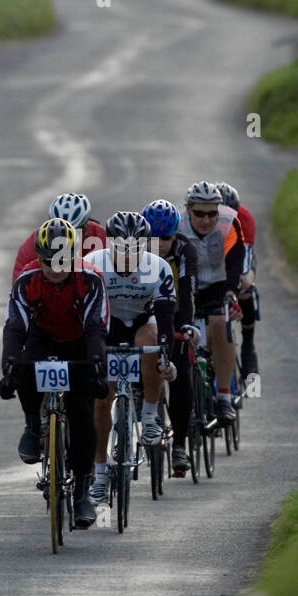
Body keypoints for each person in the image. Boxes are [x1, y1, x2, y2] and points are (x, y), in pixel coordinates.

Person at [0, 218, 109, 529]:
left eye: (63, 260)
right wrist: (8, 365)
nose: (56, 268)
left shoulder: (91, 279)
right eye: (49, 261)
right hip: (43, 337)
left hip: (80, 341)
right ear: (39, 259)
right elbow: (15, 327)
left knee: (82, 414)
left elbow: (96, 328)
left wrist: (97, 366)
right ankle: (33, 425)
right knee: (24, 369)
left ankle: (83, 493)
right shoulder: (27, 279)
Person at [83, 211, 176, 504]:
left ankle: (149, 416)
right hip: (106, 327)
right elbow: (86, 319)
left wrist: (166, 357)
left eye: (135, 249)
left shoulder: (158, 268)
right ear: (109, 244)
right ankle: (99, 473)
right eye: (121, 249)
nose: (128, 256)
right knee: (101, 402)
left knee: (150, 343)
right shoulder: (92, 266)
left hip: (140, 323)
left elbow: (166, 322)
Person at [140, 198, 200, 478]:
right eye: (153, 238)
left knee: (181, 372)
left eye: (165, 238)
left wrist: (186, 325)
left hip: (173, 315)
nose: (159, 244)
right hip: (142, 316)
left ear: (175, 234)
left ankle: (179, 445)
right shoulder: (134, 249)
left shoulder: (185, 250)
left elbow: (187, 291)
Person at [177, 181, 244, 423]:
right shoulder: (176, 224)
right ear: (187, 210)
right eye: (199, 213)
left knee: (221, 323)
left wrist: (231, 292)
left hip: (216, 286)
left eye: (212, 213)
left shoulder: (229, 222)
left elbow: (236, 260)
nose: (206, 220)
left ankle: (224, 395)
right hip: (186, 287)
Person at [217, 182, 259, 386]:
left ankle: (248, 342)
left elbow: (245, 260)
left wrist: (238, 284)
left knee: (245, 286)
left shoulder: (245, 219)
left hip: (237, 258)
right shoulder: (201, 220)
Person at [12, 192, 107, 282]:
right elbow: (20, 285)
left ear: (86, 228)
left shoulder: (100, 236)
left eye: (75, 232)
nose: (67, 239)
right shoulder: (33, 244)